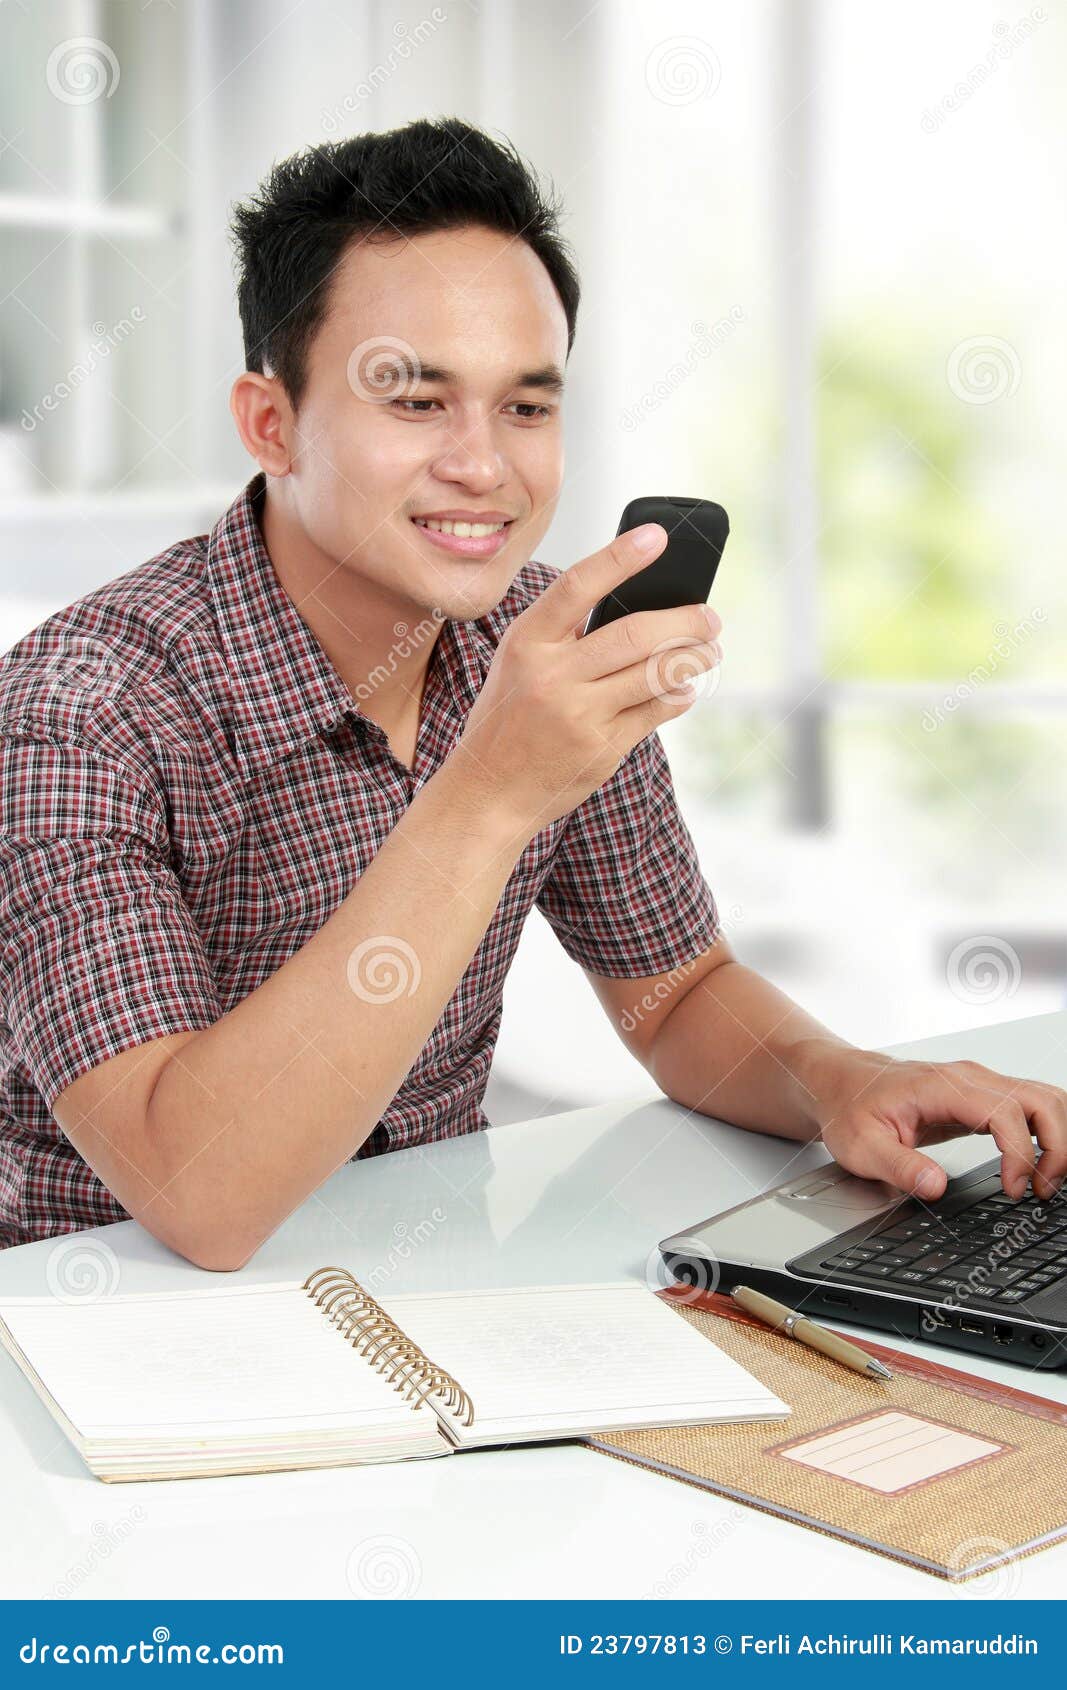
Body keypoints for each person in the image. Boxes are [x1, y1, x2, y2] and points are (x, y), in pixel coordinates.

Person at [1, 118, 1063, 1265]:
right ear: (273, 423)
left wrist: (843, 1080)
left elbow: (675, 991)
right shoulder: (75, 710)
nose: (483, 465)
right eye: (414, 401)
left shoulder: (534, 635)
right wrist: (491, 790)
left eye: (525, 405)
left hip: (440, 1274)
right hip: (105, 1324)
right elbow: (193, 1194)